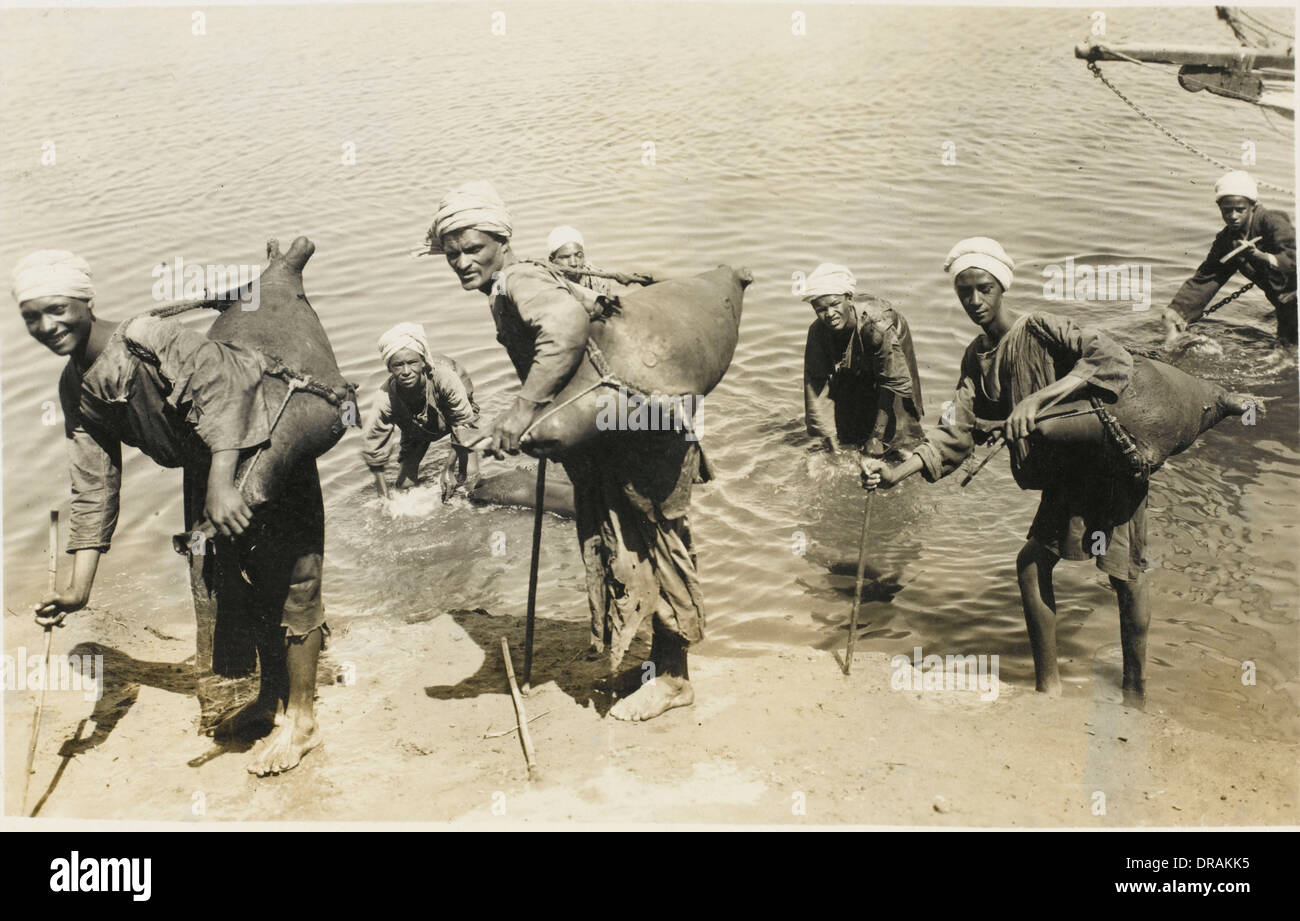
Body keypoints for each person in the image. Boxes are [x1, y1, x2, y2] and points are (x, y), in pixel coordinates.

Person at [16, 249, 327, 775]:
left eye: (58, 309)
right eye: (32, 317)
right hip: (211, 465)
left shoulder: (146, 337)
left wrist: (224, 485)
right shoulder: (77, 388)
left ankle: (302, 718)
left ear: (86, 302)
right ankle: (268, 699)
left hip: (270, 428)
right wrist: (77, 589)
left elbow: (223, 391)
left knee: (294, 575)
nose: (47, 326)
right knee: (232, 582)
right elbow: (94, 488)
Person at [426, 181, 705, 721]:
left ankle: (674, 679)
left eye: (473, 248)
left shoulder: (519, 280)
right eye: (452, 252)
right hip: (623, 430)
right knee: (633, 545)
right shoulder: (515, 280)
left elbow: (567, 327)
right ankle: (658, 665)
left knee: (660, 542)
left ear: (500, 242)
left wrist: (522, 408)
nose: (461, 261)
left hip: (644, 435)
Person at [861, 238, 1152, 705]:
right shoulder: (976, 358)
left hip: (1108, 462)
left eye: (984, 288)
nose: (974, 301)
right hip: (1064, 477)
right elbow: (958, 430)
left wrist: (1039, 398)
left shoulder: (1039, 328)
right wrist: (899, 471)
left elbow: (1112, 358)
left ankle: (1135, 690)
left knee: (1124, 574)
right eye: (964, 292)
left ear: (1001, 288)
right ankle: (1047, 688)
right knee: (1033, 565)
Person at [802, 262, 925, 456]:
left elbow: (892, 381)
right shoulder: (817, 332)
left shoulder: (875, 323)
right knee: (847, 438)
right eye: (820, 310)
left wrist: (876, 436)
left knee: (899, 440)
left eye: (835, 305)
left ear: (848, 298)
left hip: (891, 363)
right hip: (856, 366)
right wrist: (831, 442)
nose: (830, 315)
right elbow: (816, 385)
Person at [1162, 170, 1297, 346]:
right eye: (1226, 210)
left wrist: (1263, 257)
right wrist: (1177, 314)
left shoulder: (1272, 221)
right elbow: (1207, 277)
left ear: (1253, 207)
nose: (1233, 216)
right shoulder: (1227, 240)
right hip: (1285, 305)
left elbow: (1293, 257)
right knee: (1286, 350)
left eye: (1240, 210)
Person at [362, 321, 481, 500]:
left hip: (455, 414)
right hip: (416, 425)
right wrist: (383, 495)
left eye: (412, 363)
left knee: (470, 479)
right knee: (403, 487)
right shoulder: (385, 397)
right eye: (398, 365)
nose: (406, 371)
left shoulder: (445, 378)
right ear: (389, 368)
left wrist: (448, 469)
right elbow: (373, 446)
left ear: (423, 363)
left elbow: (463, 423)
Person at [546, 224, 653, 296]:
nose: (573, 263)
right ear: (552, 260)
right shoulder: (546, 283)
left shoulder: (599, 281)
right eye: (565, 257)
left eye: (579, 255)